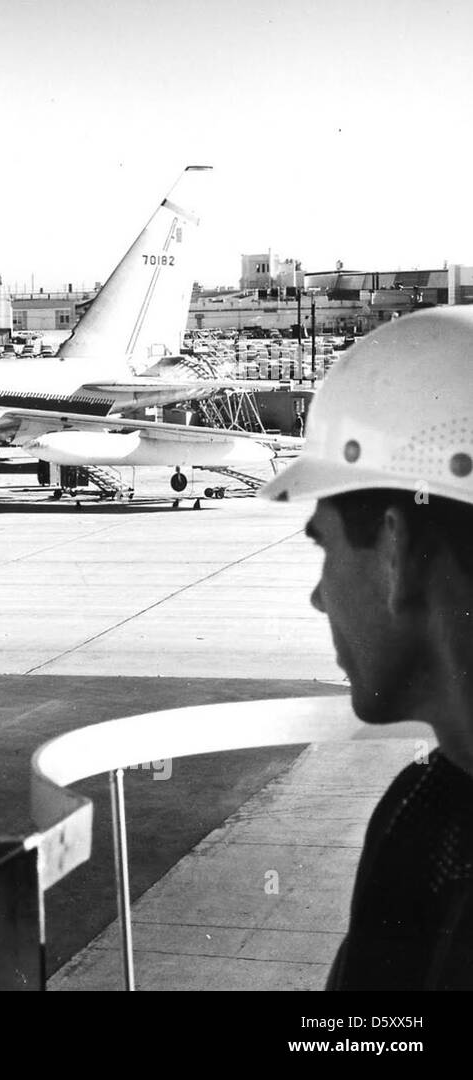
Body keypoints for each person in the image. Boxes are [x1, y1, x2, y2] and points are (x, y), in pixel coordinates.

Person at [261, 305, 473, 990]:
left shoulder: (424, 819)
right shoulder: (430, 802)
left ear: (394, 551)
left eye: (322, 545)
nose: (320, 597)